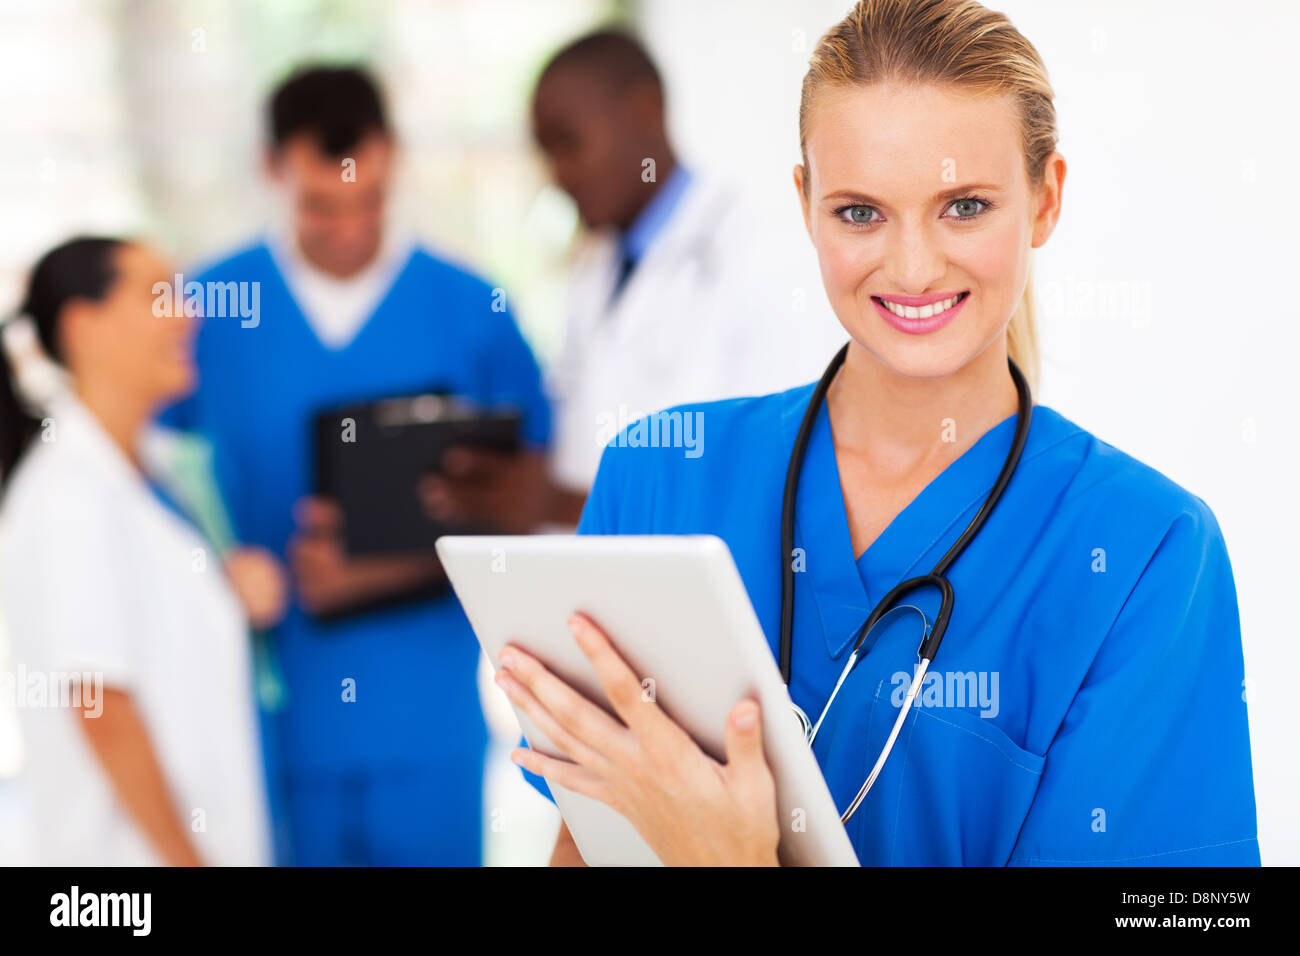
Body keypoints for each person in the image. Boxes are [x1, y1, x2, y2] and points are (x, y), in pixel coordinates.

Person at [498, 0, 1260, 866]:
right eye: (860, 212)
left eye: (964, 206)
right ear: (806, 201)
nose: (910, 267)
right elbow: (582, 837)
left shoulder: (1147, 553)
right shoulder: (656, 475)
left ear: (1046, 200)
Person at [162, 66, 551, 865]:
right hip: (270, 723)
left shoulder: (472, 309)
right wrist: (214, 571)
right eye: (319, 206)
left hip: (426, 725)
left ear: (393, 160)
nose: (348, 230)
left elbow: (534, 511)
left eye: (368, 201)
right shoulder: (208, 310)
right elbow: (148, 486)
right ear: (272, 169)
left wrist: (385, 565)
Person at [426, 29, 844, 529]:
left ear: (645, 110)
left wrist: (550, 504)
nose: (558, 173)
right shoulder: (594, 269)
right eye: (545, 152)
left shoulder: (762, 254)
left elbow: (770, 484)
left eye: (568, 143)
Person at [0, 237, 281, 865]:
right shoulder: (68, 494)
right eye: (160, 294)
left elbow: (151, 621)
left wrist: (223, 590)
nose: (189, 313)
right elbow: (103, 708)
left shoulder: (153, 473)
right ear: (83, 326)